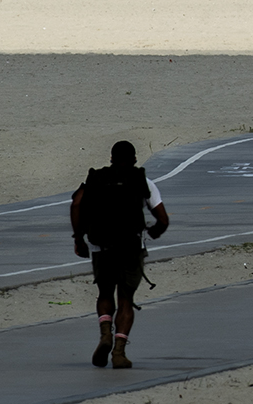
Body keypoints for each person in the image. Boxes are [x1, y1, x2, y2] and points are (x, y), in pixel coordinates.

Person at [70, 140, 170, 370]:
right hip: (130, 247)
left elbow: (76, 204)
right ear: (134, 159)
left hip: (101, 246)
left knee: (105, 293)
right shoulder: (142, 181)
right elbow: (163, 219)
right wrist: (155, 231)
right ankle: (118, 352)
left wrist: (79, 238)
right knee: (126, 300)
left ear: (111, 158)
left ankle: (105, 332)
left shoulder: (96, 179)